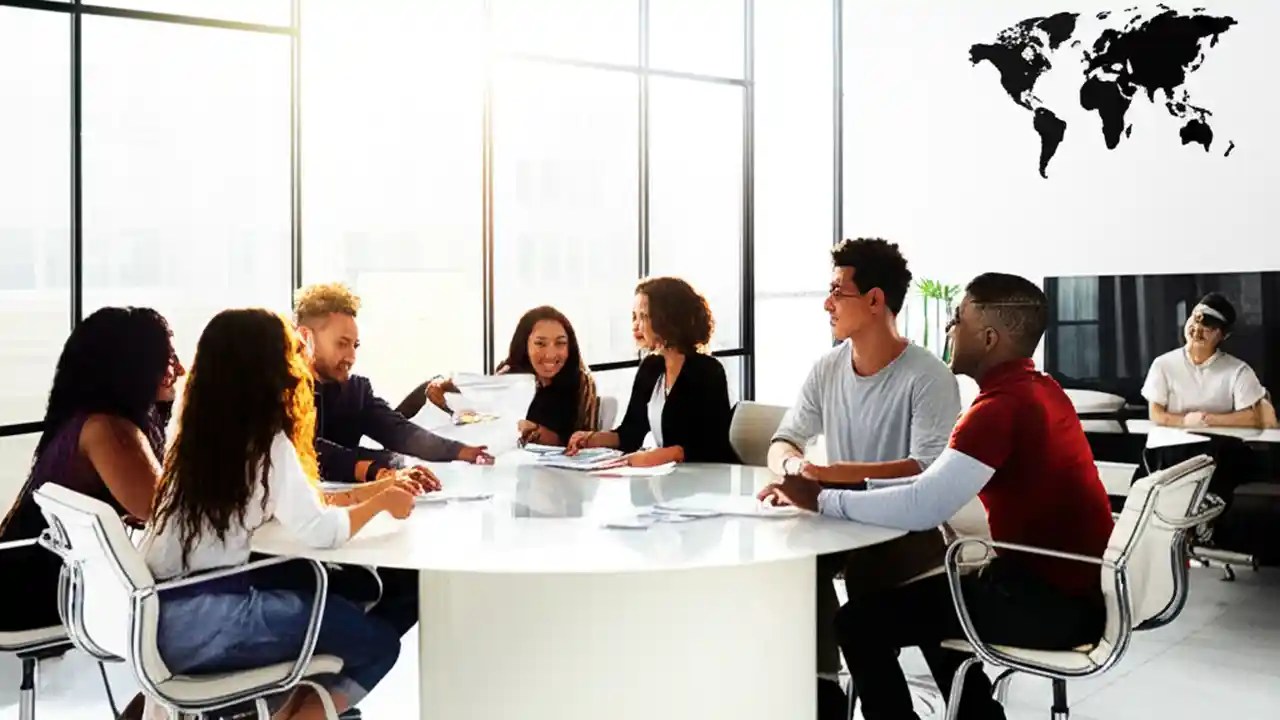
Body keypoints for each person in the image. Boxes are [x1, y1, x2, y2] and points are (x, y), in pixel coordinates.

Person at [762, 273, 1115, 720]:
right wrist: (833, 489)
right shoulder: (1040, 390)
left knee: (857, 623)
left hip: (1048, 603)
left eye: (958, 318)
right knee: (927, 603)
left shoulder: (998, 409)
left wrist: (821, 499)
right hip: (1069, 591)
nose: (950, 328)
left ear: (989, 338)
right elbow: (927, 487)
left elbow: (924, 505)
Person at [143, 308, 418, 720]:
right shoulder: (266, 442)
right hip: (216, 625)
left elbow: (279, 504)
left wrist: (372, 490)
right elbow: (321, 532)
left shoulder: (191, 435)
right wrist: (381, 504)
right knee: (379, 643)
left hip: (158, 621)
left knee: (348, 599)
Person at [763, 238, 962, 717]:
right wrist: (795, 469)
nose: (827, 304)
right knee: (793, 566)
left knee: (867, 610)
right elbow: (783, 440)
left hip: (911, 534)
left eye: (837, 291)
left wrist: (827, 476)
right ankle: (821, 691)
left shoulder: (928, 375)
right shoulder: (826, 368)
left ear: (875, 300)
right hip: (843, 522)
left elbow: (926, 470)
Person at [0, 307, 182, 633]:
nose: (179, 370)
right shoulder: (108, 430)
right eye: (168, 360)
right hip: (36, 594)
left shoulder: (88, 420)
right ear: (131, 366)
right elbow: (165, 513)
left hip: (35, 579)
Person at [292, 282, 493, 485]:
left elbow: (397, 431)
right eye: (342, 344)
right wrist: (373, 470)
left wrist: (461, 451)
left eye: (355, 346)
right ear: (305, 337)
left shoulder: (356, 392)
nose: (351, 357)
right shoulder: (280, 392)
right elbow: (305, 450)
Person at [565, 276, 739, 466]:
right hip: (672, 476)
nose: (635, 325)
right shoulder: (651, 367)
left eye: (644, 317)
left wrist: (661, 455)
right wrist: (591, 439)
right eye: (634, 316)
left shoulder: (708, 371)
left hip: (709, 475)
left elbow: (712, 445)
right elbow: (630, 434)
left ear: (667, 319)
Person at [401, 306, 600, 446]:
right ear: (525, 344)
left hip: (546, 470)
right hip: (491, 450)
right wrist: (443, 385)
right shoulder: (512, 375)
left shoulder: (579, 383)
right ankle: (387, 440)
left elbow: (569, 439)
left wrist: (530, 429)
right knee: (429, 389)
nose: (550, 353)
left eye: (560, 343)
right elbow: (481, 399)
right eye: (540, 343)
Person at [1143, 292, 1276, 430]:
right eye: (1195, 320)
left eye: (1208, 327)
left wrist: (1206, 419)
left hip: (1223, 443)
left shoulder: (1238, 371)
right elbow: (1156, 413)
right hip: (1172, 442)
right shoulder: (1162, 365)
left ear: (1224, 335)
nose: (1197, 330)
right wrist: (1184, 422)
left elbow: (1254, 418)